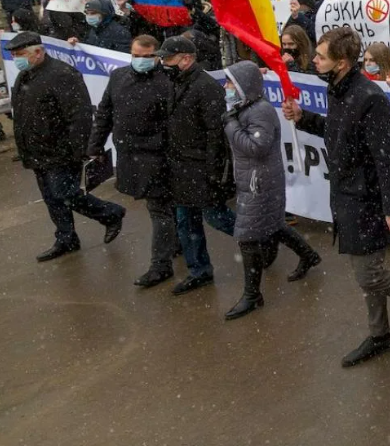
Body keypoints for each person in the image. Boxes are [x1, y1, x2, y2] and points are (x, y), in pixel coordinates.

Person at [283, 27, 390, 367]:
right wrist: (304, 118)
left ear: (340, 62)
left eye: (321, 56)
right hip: (345, 194)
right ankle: (380, 334)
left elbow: (388, 157)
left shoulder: (370, 97)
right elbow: (337, 132)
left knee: (369, 273)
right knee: (367, 270)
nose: (316, 60)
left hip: (366, 198)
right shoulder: (338, 90)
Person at [8, 32, 126, 261]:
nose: (16, 59)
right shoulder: (25, 76)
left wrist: (78, 150)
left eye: (20, 54)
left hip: (60, 151)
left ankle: (110, 213)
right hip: (36, 151)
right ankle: (66, 237)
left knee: (65, 194)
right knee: (52, 198)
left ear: (38, 52)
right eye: (13, 55)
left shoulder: (62, 74)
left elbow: (79, 117)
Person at [221, 61, 322, 320]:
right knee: (274, 224)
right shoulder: (245, 107)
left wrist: (230, 126)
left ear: (243, 86)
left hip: (260, 182)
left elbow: (257, 147)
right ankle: (308, 255)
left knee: (247, 237)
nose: (226, 87)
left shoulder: (260, 111)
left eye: (230, 82)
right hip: (255, 179)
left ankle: (252, 295)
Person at [88, 35, 177, 286]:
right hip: (129, 154)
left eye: (146, 57)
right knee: (161, 208)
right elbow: (105, 113)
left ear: (156, 56)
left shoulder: (167, 81)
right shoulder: (118, 77)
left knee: (159, 208)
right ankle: (174, 242)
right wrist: (95, 145)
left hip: (158, 155)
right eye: (136, 56)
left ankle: (161, 264)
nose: (140, 61)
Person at [158, 36, 236, 295]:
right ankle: (199, 270)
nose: (163, 63)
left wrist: (215, 172)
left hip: (200, 168)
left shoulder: (206, 87)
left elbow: (216, 133)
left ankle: (261, 239)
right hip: (179, 167)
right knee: (186, 221)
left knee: (217, 217)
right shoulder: (173, 83)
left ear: (186, 59)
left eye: (168, 59)